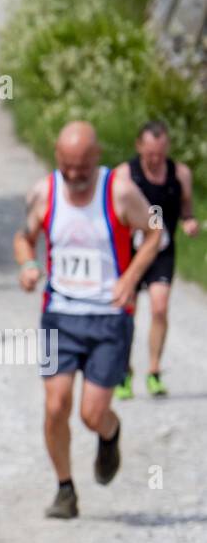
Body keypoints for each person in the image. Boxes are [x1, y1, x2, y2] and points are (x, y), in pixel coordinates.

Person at [13, 121, 164, 519]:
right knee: (55, 405)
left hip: (108, 318)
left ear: (96, 157)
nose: (76, 175)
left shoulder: (118, 190)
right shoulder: (45, 192)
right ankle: (65, 489)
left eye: (82, 166)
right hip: (58, 317)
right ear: (57, 159)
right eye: (68, 166)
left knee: (91, 413)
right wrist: (27, 265)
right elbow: (23, 237)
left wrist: (131, 278)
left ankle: (109, 433)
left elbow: (154, 232)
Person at [111, 120, 199, 399]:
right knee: (128, 311)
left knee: (160, 308)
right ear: (139, 147)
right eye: (149, 153)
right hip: (133, 252)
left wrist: (189, 221)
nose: (154, 159)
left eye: (160, 154)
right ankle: (124, 372)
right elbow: (110, 210)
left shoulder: (180, 174)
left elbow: (187, 206)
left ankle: (154, 371)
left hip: (162, 250)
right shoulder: (124, 175)